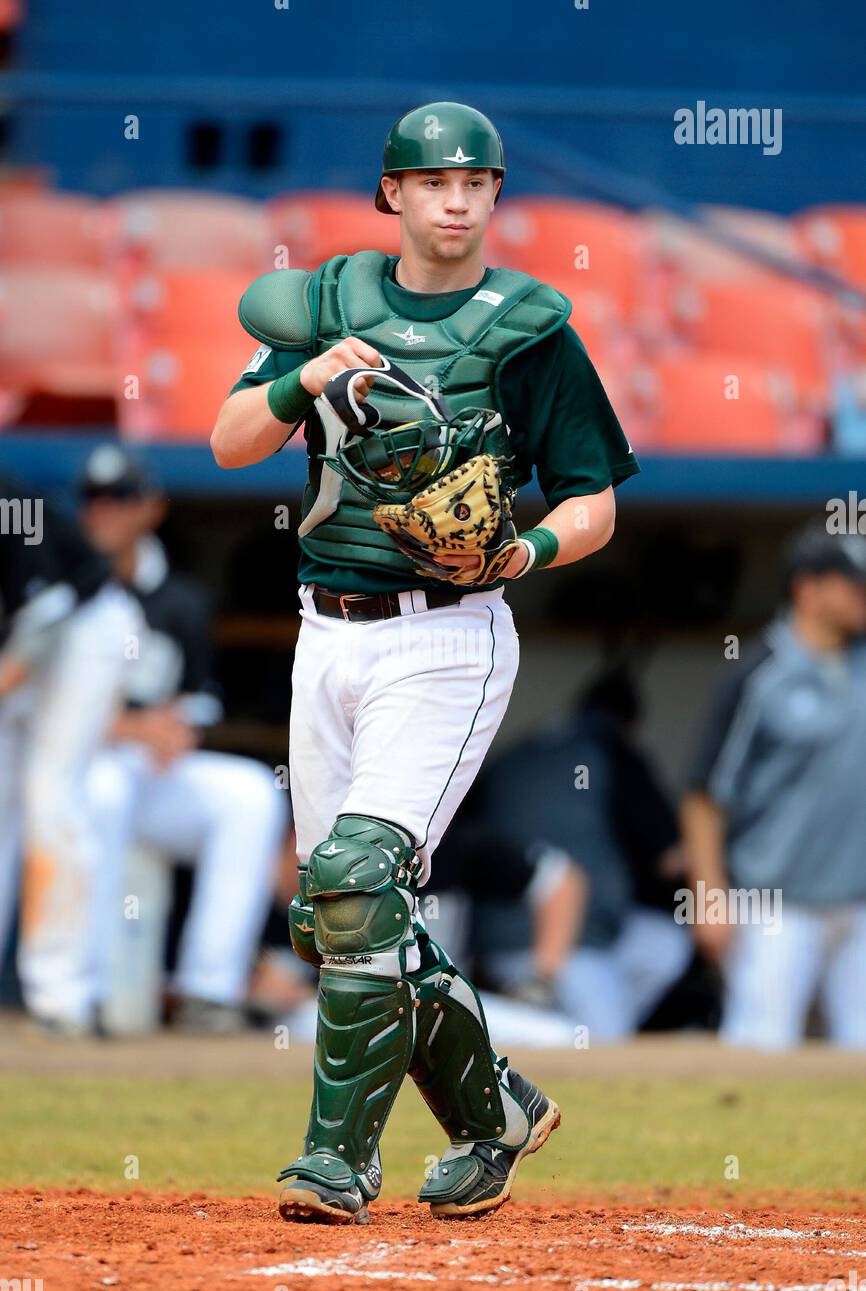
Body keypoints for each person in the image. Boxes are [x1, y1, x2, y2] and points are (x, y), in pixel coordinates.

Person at [212, 101, 638, 1223]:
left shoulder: (530, 326)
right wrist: (303, 379)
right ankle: (491, 1105)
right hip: (324, 628)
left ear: (494, 198)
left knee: (357, 875)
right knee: (333, 914)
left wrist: (526, 545)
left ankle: (333, 1163)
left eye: (475, 183)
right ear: (391, 194)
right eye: (432, 181)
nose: (455, 199)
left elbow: (592, 498)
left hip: (447, 633)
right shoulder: (330, 303)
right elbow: (226, 441)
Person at [77, 446, 288, 1033]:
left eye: (120, 499)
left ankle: (207, 990)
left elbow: (200, 695)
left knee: (248, 794)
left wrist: (175, 727)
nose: (104, 513)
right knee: (105, 789)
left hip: (150, 770)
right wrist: (125, 726)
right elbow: (40, 706)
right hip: (77, 767)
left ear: (151, 508)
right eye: (93, 500)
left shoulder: (183, 599)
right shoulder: (68, 585)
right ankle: (82, 993)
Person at [681, 524, 866, 1051]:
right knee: (760, 1052)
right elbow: (704, 795)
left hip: (859, 901)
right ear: (808, 589)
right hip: (776, 903)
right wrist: (709, 894)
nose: (862, 595)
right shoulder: (760, 672)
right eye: (852, 584)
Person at [471, 666, 692, 1039]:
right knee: (604, 1044)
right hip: (568, 943)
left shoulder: (511, 756)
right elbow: (668, 858)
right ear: (631, 723)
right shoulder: (609, 751)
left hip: (490, 943)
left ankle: (554, 1026)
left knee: (660, 944)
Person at [0, 468, 140, 1033]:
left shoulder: (9, 500)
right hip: (30, 641)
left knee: (52, 794)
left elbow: (46, 613)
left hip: (86, 629)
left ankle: (63, 994)